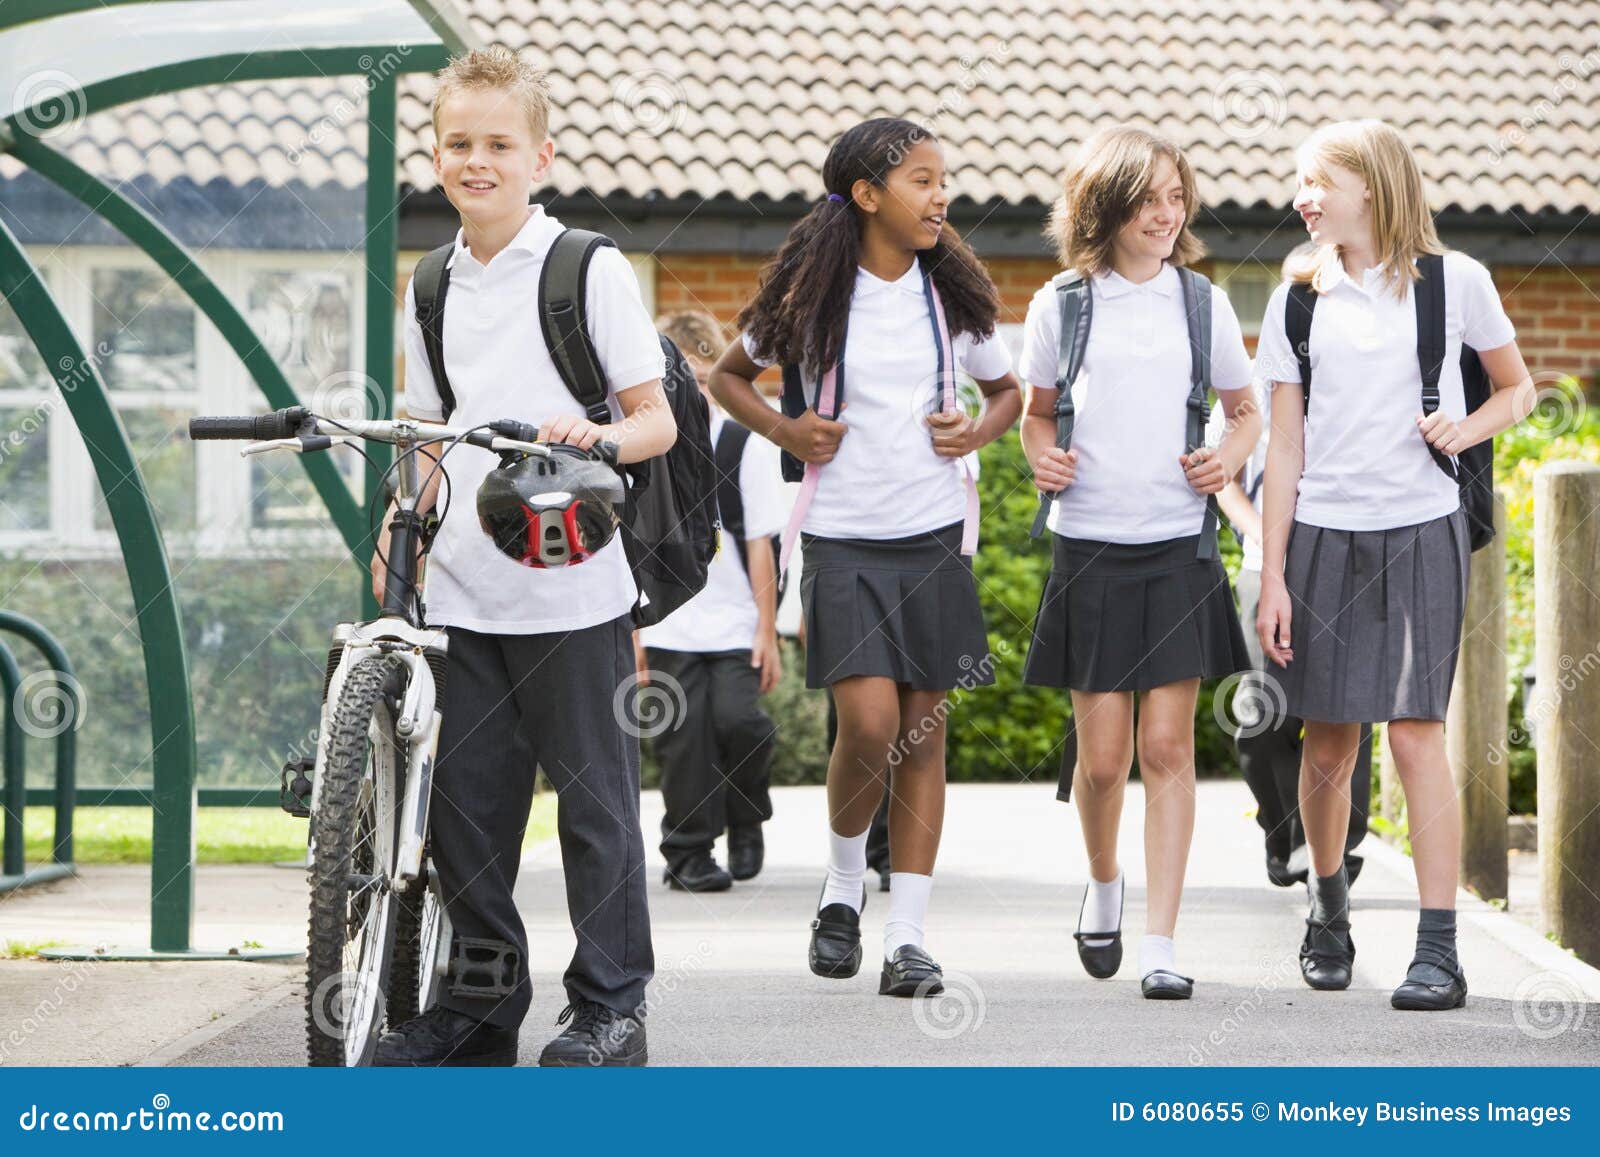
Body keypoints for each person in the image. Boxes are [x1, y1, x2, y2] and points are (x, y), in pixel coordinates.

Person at [372, 47, 676, 1067]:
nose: (476, 160)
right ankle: (477, 1006)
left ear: (537, 154)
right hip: (463, 587)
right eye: (459, 142)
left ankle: (609, 1009)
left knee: (595, 812)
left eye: (498, 143)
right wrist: (395, 533)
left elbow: (656, 423)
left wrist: (590, 439)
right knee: (467, 815)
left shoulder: (583, 268)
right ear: (436, 151)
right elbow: (424, 430)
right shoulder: (427, 283)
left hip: (573, 586)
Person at [709, 118, 1022, 998]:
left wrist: (975, 432)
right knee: (873, 725)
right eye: (922, 181)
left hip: (932, 540)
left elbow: (1008, 393)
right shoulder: (809, 298)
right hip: (842, 538)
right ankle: (844, 889)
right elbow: (727, 377)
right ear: (867, 194)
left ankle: (910, 935)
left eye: (942, 181)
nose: (941, 197)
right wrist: (786, 428)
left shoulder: (950, 298)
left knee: (924, 734)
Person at [1253, 119, 1532, 1009]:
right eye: (1300, 181)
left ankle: (1438, 949)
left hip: (1423, 526)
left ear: (1369, 185)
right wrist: (1272, 575)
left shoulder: (1459, 283)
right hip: (1323, 533)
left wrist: (1468, 424)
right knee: (1329, 738)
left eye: (1316, 180)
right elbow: (1284, 448)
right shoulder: (1297, 296)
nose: (1303, 197)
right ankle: (1328, 912)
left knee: (1416, 731)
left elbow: (1518, 387)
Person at [1019, 125, 1261, 1001]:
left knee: (1166, 748)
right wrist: (1040, 456)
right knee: (1102, 762)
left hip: (1177, 548)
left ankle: (1160, 938)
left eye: (1175, 197)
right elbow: (1036, 416)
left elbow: (1245, 411)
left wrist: (1227, 457)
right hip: (1089, 550)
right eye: (1147, 198)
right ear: (1104, 207)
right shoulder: (1062, 304)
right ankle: (1105, 880)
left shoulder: (1200, 304)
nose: (1166, 214)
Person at [636, 310, 786, 891]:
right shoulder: (645, 447)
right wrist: (636, 637)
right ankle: (689, 852)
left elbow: (760, 545)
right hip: (667, 623)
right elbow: (629, 551)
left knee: (740, 722)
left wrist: (767, 630)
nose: (695, 393)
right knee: (684, 735)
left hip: (735, 622)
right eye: (683, 381)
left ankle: (746, 815)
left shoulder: (742, 444)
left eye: (705, 380)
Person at [1213, 375, 1370, 889]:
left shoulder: (1359, 366)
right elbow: (1223, 475)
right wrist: (1259, 531)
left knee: (1347, 711)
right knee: (1262, 714)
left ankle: (1333, 847)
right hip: (1266, 564)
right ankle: (1284, 835)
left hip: (1347, 562)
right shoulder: (1251, 381)